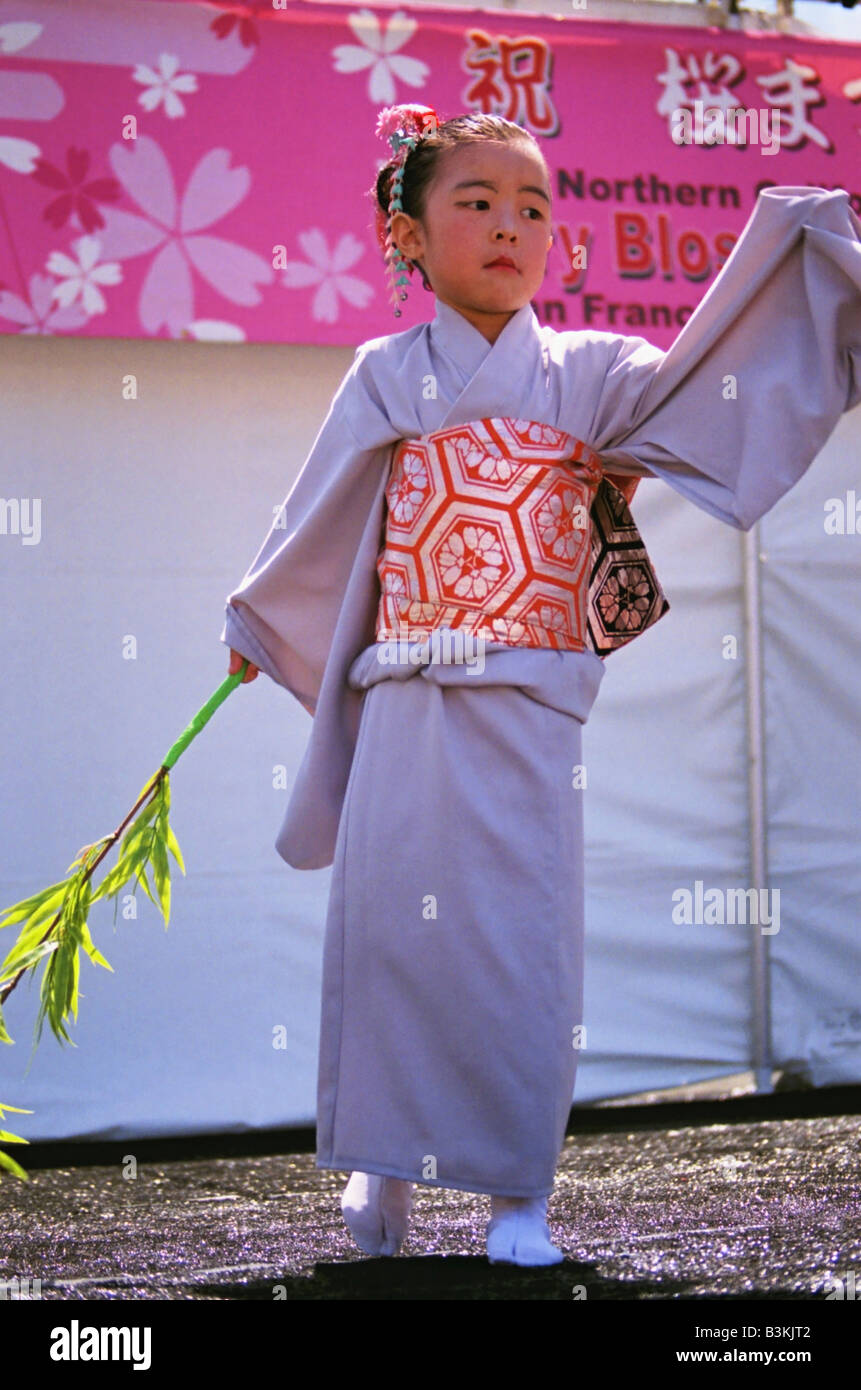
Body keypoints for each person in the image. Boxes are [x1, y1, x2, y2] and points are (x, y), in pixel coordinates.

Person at [223, 105, 861, 1265]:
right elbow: (320, 516)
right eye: (475, 203)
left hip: (526, 698)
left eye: (532, 209)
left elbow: (709, 394)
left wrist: (808, 273)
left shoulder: (592, 371)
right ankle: (387, 1165)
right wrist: (264, 620)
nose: (509, 228)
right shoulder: (385, 374)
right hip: (407, 688)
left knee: (520, 947)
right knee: (391, 937)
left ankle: (519, 1190)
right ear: (407, 235)